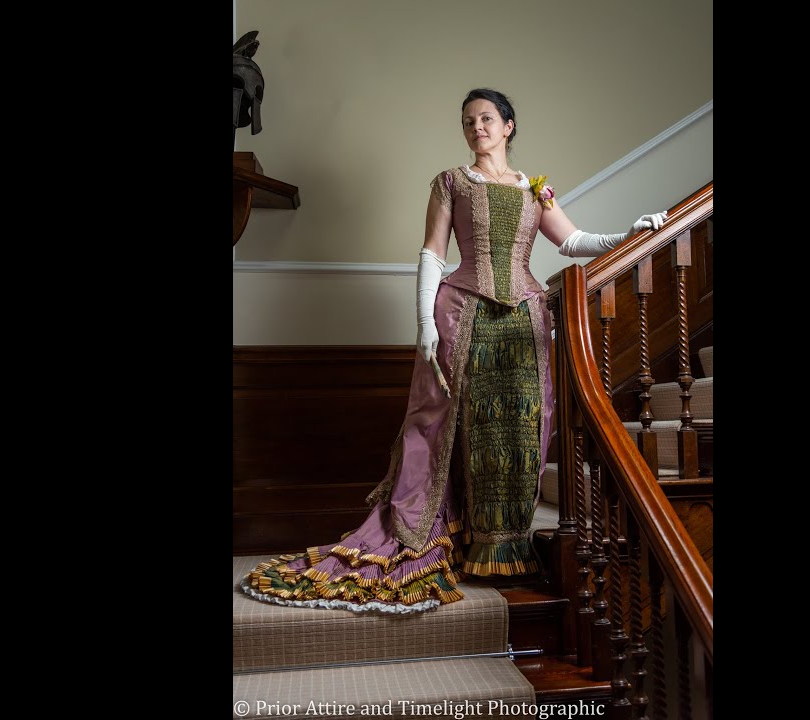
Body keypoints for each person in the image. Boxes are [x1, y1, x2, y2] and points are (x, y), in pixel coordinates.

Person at [241, 88, 667, 613]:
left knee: (521, 428)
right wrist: (424, 321)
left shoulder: (537, 188)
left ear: (508, 126)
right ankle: (462, 542)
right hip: (464, 313)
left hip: (526, 321)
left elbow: (572, 241)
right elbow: (431, 252)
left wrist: (627, 233)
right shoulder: (450, 182)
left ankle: (507, 546)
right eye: (468, 121)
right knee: (457, 430)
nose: (477, 127)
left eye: (487, 118)